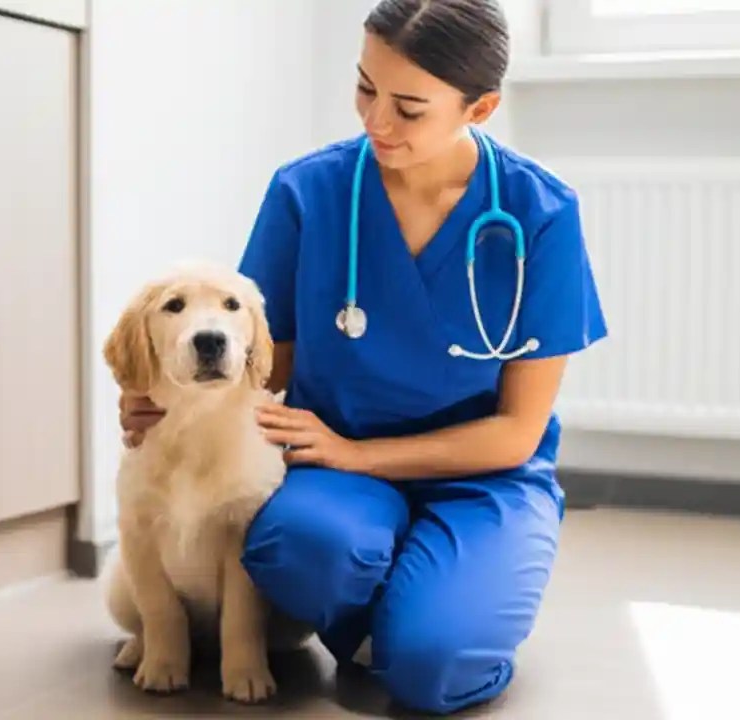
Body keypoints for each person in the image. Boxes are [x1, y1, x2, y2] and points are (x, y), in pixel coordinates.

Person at [118, 0, 607, 713]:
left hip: (480, 477)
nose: (376, 122)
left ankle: (435, 614)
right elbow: (262, 365)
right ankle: (401, 605)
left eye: (409, 108)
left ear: (481, 108)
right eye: (365, 89)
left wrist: (359, 455)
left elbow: (517, 432)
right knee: (294, 548)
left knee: (433, 669)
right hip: (333, 477)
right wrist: (165, 390)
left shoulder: (540, 214)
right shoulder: (307, 192)